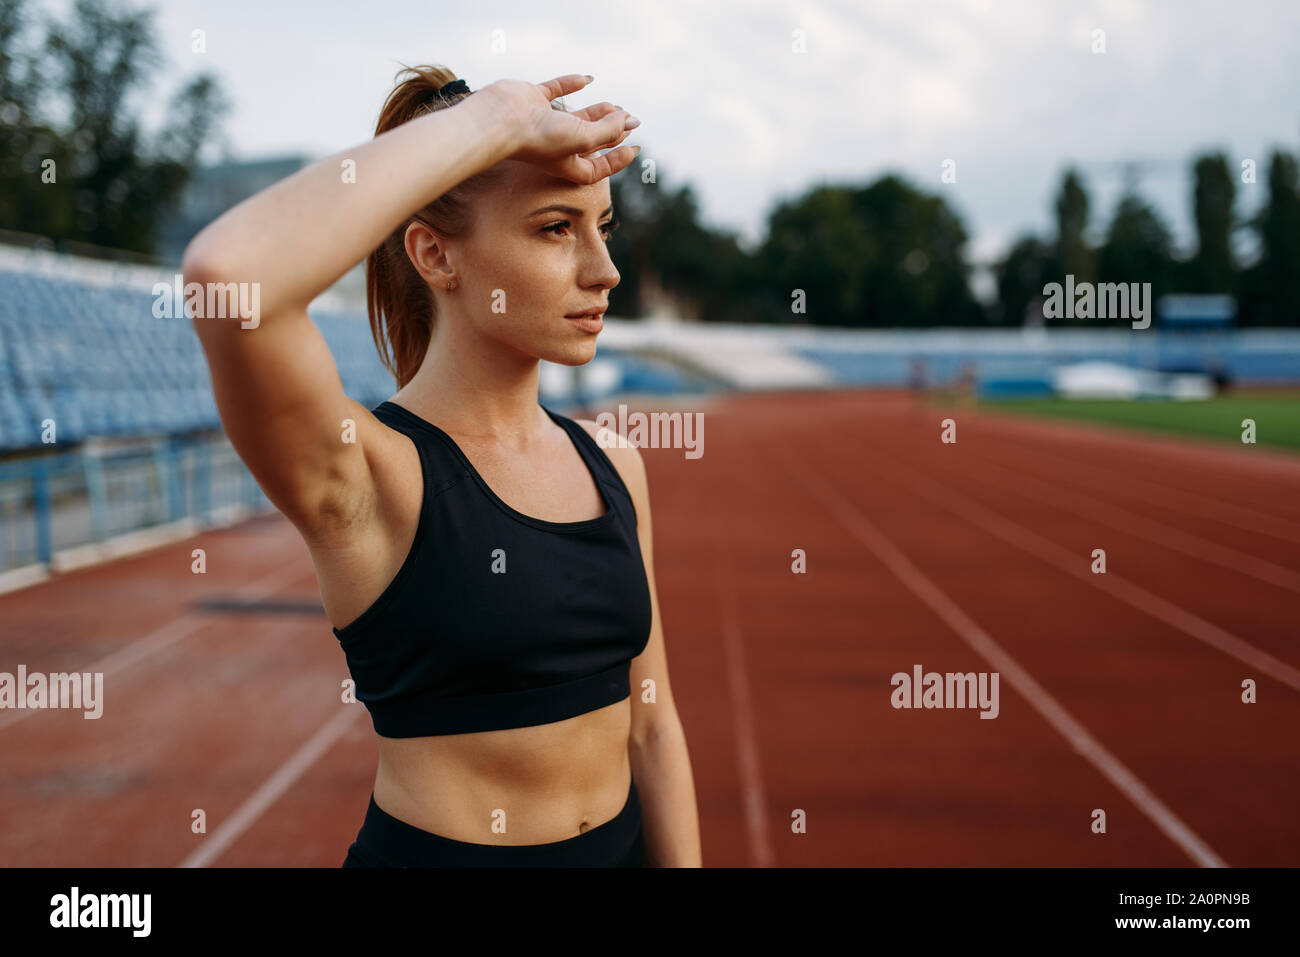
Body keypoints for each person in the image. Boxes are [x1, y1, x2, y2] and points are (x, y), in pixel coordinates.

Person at [183, 66, 701, 867]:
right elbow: (230, 278)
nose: (605, 271)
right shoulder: (371, 476)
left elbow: (652, 722)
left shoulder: (613, 465)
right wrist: (491, 119)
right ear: (434, 254)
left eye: (605, 228)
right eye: (557, 228)